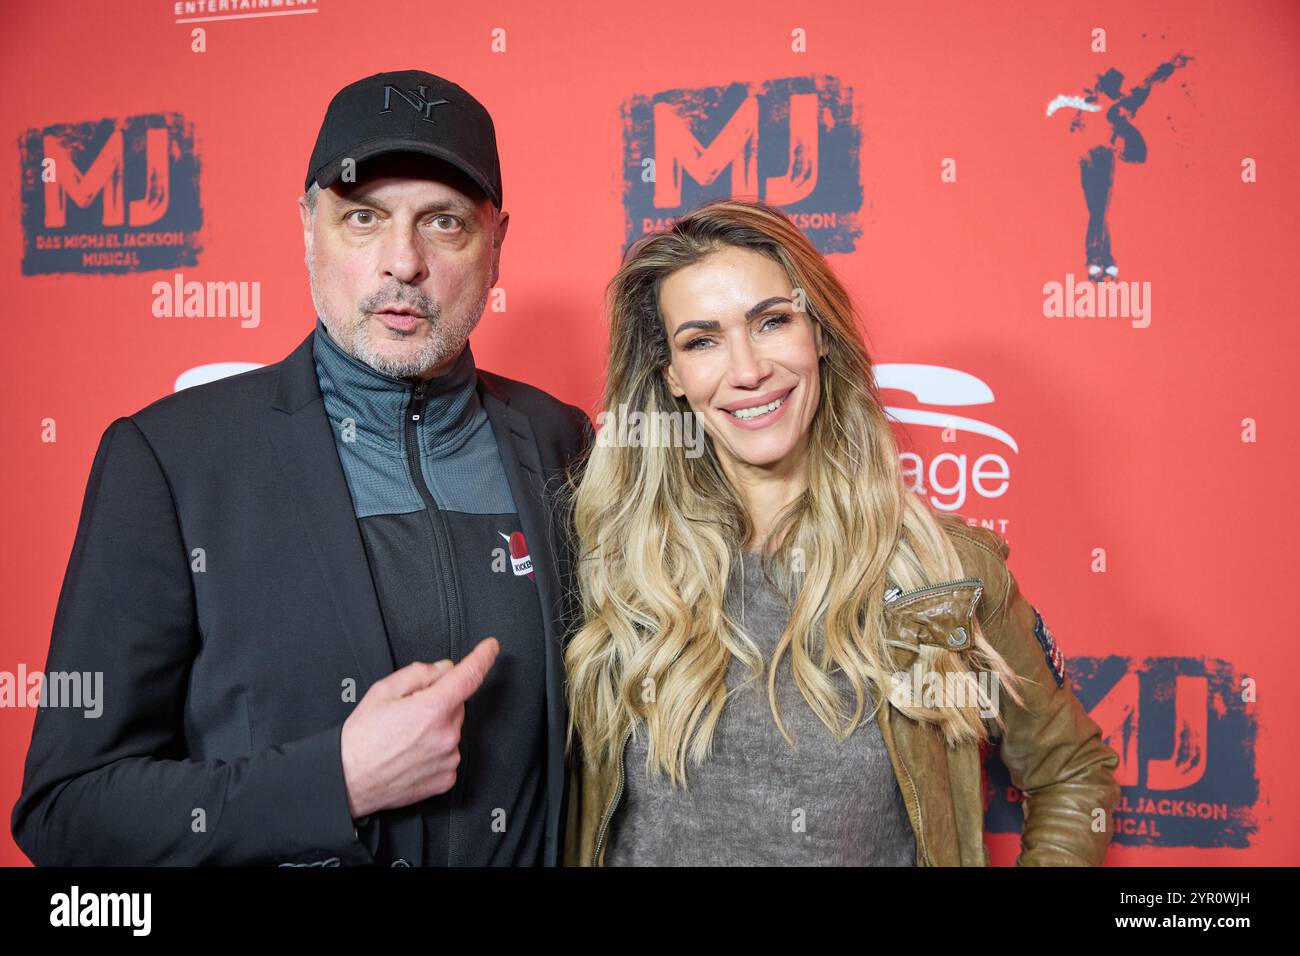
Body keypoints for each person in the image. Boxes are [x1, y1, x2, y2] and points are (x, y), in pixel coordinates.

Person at [11, 70, 591, 866]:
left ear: (496, 244)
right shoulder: (172, 460)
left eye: (444, 223)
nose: (403, 262)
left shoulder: (563, 442)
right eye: (362, 217)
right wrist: (337, 781)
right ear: (307, 228)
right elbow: (66, 811)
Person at [562, 198, 1121, 866]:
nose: (747, 370)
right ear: (672, 378)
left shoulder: (938, 572)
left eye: (772, 322)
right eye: (702, 340)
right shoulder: (614, 566)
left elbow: (1071, 773)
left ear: (819, 334)